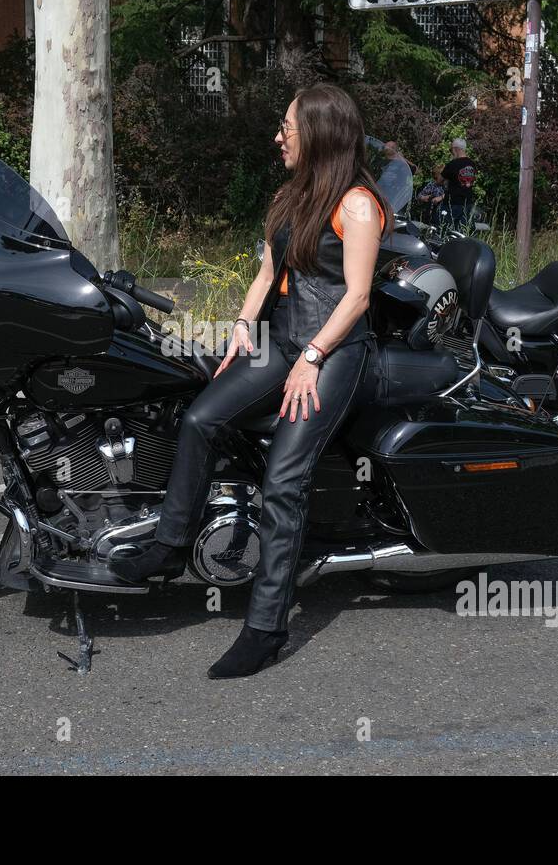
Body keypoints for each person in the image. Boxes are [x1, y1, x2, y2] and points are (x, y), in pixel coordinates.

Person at [110, 82, 392, 679]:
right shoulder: (294, 195)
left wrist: (312, 358)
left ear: (317, 132)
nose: (278, 136)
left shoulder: (358, 204)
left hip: (333, 351)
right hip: (285, 336)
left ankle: (265, 627)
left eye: (287, 127)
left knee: (285, 478)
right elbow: (267, 273)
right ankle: (168, 546)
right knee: (200, 416)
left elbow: (359, 296)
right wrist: (242, 327)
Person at [364, 136, 413, 214]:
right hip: (379, 195)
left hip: (393, 198)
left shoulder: (401, 164)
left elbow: (414, 169)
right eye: (385, 145)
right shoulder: (381, 162)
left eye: (388, 146)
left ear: (394, 149)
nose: (385, 147)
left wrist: (401, 158)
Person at [438, 138, 478, 228]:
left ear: (456, 149)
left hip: (452, 203)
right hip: (467, 203)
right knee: (463, 230)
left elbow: (439, 180)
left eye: (451, 150)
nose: (451, 152)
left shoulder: (452, 164)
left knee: (443, 227)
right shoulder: (472, 164)